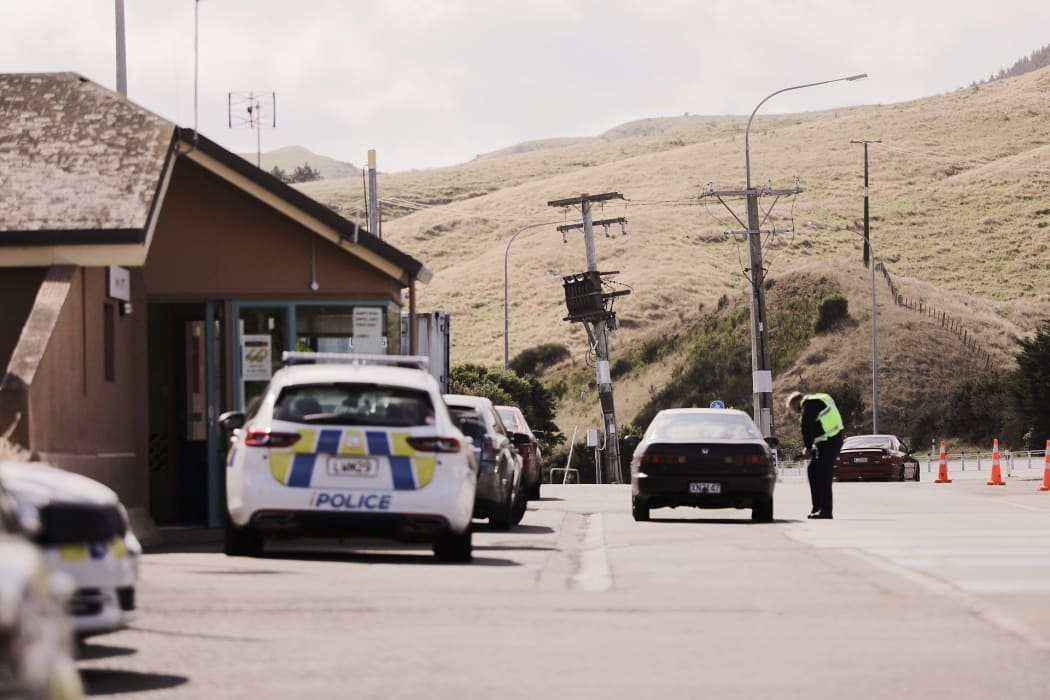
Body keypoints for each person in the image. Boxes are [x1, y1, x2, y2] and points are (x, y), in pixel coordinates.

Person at [786, 391, 844, 519]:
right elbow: (818, 428)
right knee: (813, 470)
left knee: (823, 475)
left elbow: (807, 427)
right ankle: (817, 507)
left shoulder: (809, 404)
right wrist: (811, 449)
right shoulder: (819, 400)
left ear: (797, 402)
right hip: (826, 441)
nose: (796, 412)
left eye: (794, 409)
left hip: (830, 441)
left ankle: (826, 511)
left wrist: (807, 448)